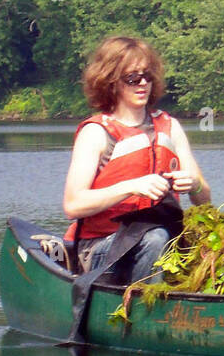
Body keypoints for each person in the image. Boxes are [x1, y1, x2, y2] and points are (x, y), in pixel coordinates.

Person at [62, 36, 211, 283]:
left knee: (165, 238)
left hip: (162, 240)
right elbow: (73, 205)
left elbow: (204, 199)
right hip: (101, 247)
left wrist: (194, 185)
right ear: (111, 82)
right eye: (132, 78)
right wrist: (132, 186)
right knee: (154, 238)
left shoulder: (170, 127)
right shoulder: (97, 132)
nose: (142, 84)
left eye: (147, 76)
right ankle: (144, 308)